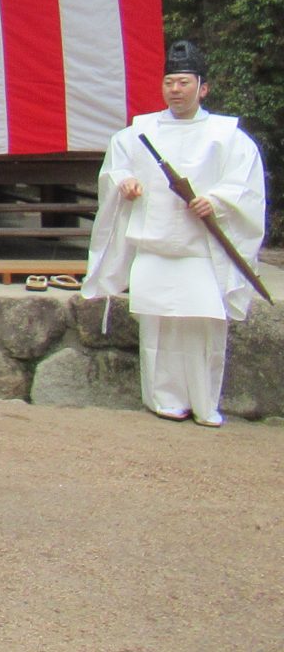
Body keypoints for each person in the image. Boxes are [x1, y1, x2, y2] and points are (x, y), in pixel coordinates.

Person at [83, 40, 267, 426]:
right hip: (155, 245)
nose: (175, 89)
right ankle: (164, 400)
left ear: (203, 88)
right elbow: (115, 169)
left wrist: (215, 201)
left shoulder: (227, 135)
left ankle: (205, 404)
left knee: (203, 329)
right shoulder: (138, 132)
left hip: (200, 249)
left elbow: (244, 185)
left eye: (184, 82)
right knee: (158, 328)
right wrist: (126, 183)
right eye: (170, 82)